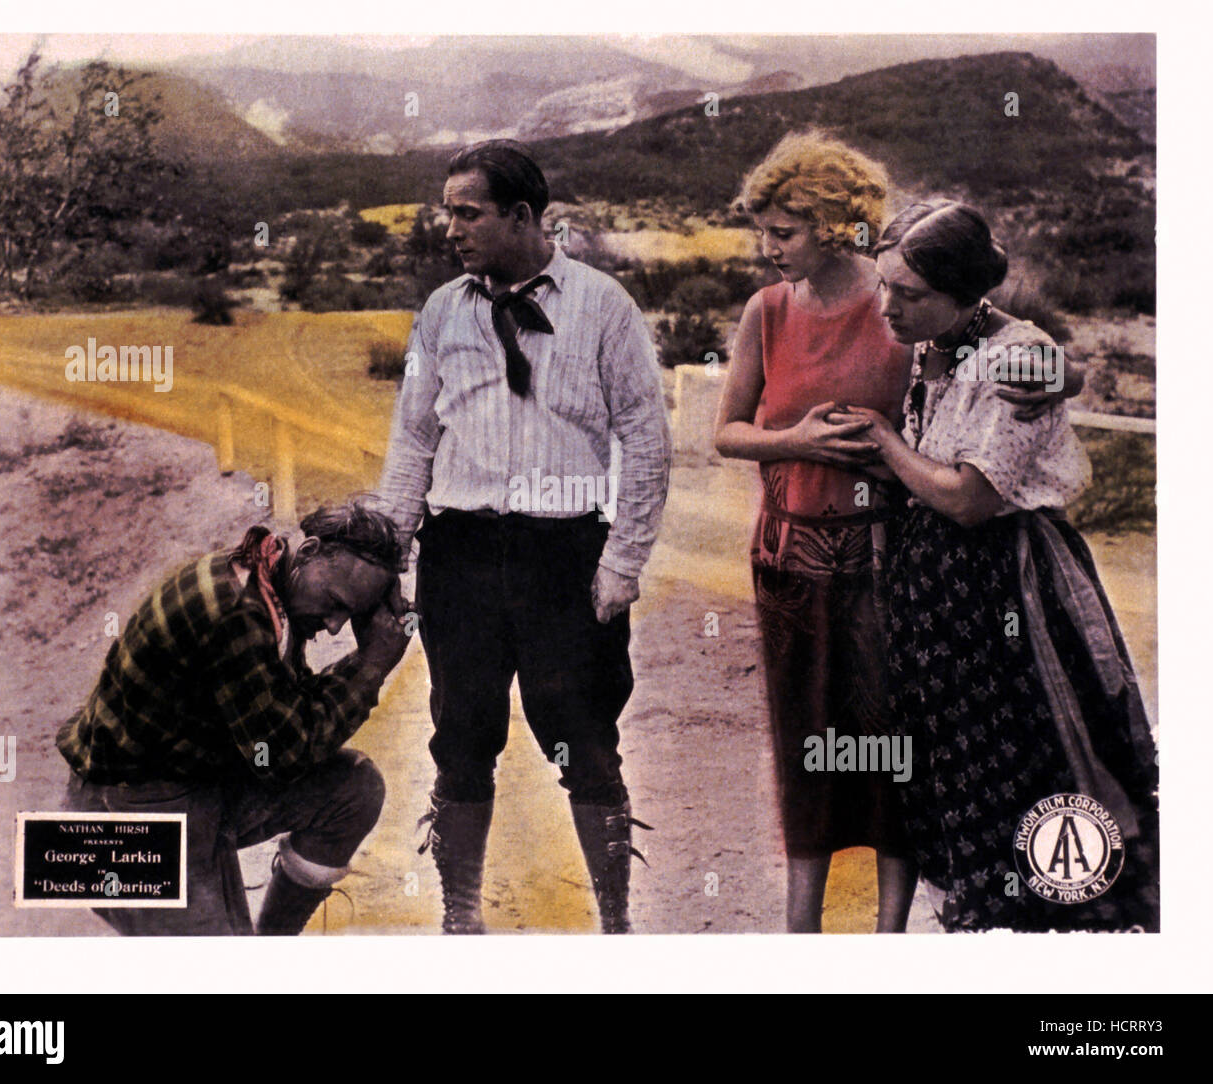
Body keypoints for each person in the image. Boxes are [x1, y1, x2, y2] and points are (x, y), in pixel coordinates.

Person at [377, 139, 671, 934]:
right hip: (461, 556)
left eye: (467, 213)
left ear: (523, 215)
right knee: (462, 739)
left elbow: (646, 437)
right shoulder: (442, 311)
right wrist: (389, 550)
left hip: (565, 559)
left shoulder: (603, 305)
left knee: (585, 743)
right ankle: (462, 919)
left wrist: (624, 561)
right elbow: (413, 438)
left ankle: (616, 925)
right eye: (448, 213)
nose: (451, 230)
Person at [846, 199, 1159, 931]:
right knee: (952, 765)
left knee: (1025, 766)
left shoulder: (1017, 358)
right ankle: (978, 923)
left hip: (1007, 592)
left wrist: (883, 443)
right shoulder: (934, 343)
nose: (888, 306)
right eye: (884, 284)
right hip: (936, 592)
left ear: (964, 293)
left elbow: (968, 499)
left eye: (910, 294)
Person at [714, 131, 919, 932]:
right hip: (788, 558)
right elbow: (727, 432)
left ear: (835, 225)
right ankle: (801, 932)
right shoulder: (765, 312)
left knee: (896, 741)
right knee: (805, 739)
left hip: (887, 557)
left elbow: (987, 381)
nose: (769, 250)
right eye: (762, 231)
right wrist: (795, 441)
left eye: (785, 232)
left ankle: (888, 933)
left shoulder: (900, 305)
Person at [56, 499, 412, 935]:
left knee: (354, 788)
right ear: (311, 549)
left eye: (350, 614)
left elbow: (286, 725)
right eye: (335, 602)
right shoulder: (236, 607)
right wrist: (372, 664)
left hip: (199, 788)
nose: (336, 625)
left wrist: (368, 659)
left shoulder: (271, 579)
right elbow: (282, 755)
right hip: (124, 822)